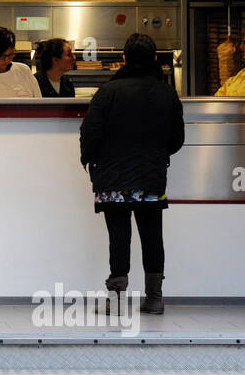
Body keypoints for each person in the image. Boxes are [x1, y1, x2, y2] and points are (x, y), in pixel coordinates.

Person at [79, 33, 185, 315]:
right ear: (154, 60)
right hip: (151, 176)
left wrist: (89, 159)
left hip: (112, 178)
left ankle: (115, 301)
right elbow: (177, 138)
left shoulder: (108, 91)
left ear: (124, 59)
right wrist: (156, 156)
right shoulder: (166, 92)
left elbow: (90, 132)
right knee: (152, 235)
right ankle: (154, 298)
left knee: (119, 235)